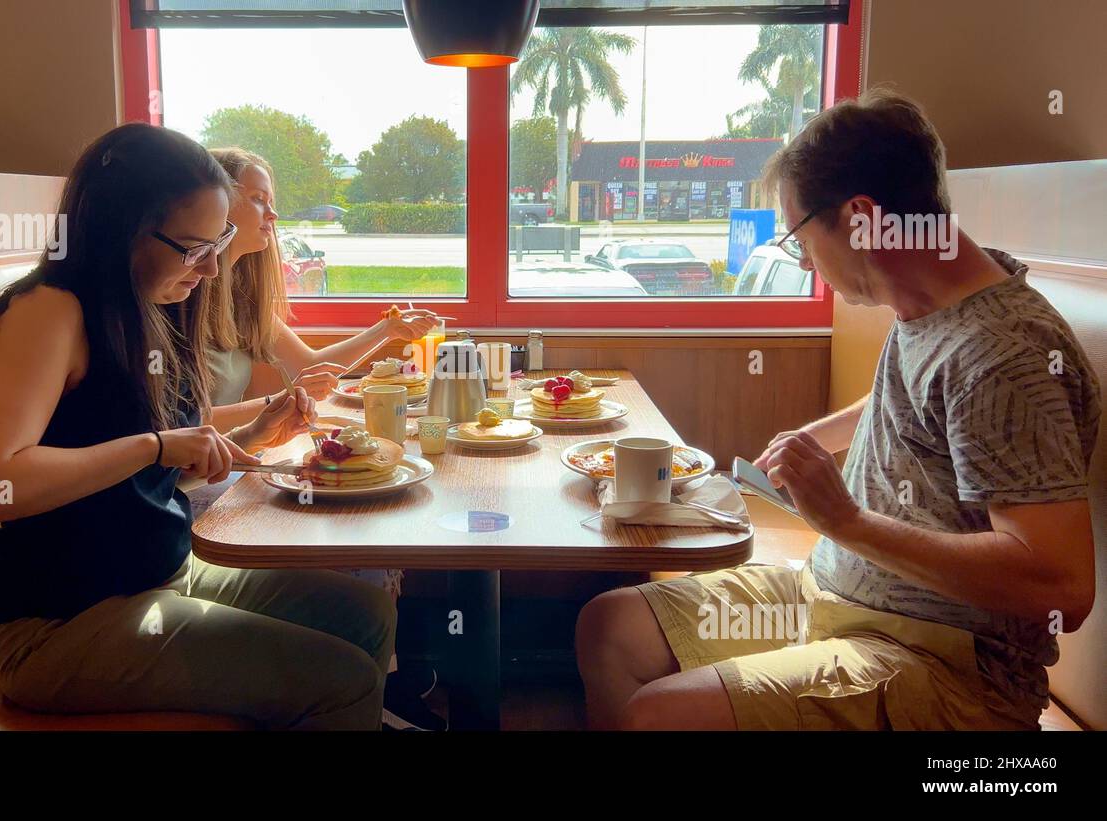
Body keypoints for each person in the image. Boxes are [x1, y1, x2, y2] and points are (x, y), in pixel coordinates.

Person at [575, 88, 1100, 730]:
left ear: (858, 217)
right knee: (609, 627)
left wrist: (847, 521)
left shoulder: (1001, 353)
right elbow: (922, 405)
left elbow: (1061, 588)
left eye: (801, 237)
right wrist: (815, 435)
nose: (807, 263)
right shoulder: (932, 300)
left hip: (945, 666)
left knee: (658, 718)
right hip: (824, 595)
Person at [0, 123, 396, 730]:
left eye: (219, 243)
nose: (213, 270)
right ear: (122, 229)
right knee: (339, 680)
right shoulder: (51, 311)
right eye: (194, 248)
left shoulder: (151, 310)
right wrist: (152, 446)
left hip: (165, 576)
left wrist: (243, 440)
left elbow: (147, 478)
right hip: (60, 624)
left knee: (366, 613)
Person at [188, 147, 445, 730]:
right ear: (212, 198)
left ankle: (380, 682)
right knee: (348, 522)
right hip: (200, 479)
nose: (271, 217)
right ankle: (374, 685)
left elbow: (308, 367)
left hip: (229, 461)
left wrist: (386, 331)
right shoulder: (181, 290)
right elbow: (184, 422)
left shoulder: (241, 294)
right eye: (258, 200)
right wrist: (267, 411)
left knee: (360, 515)